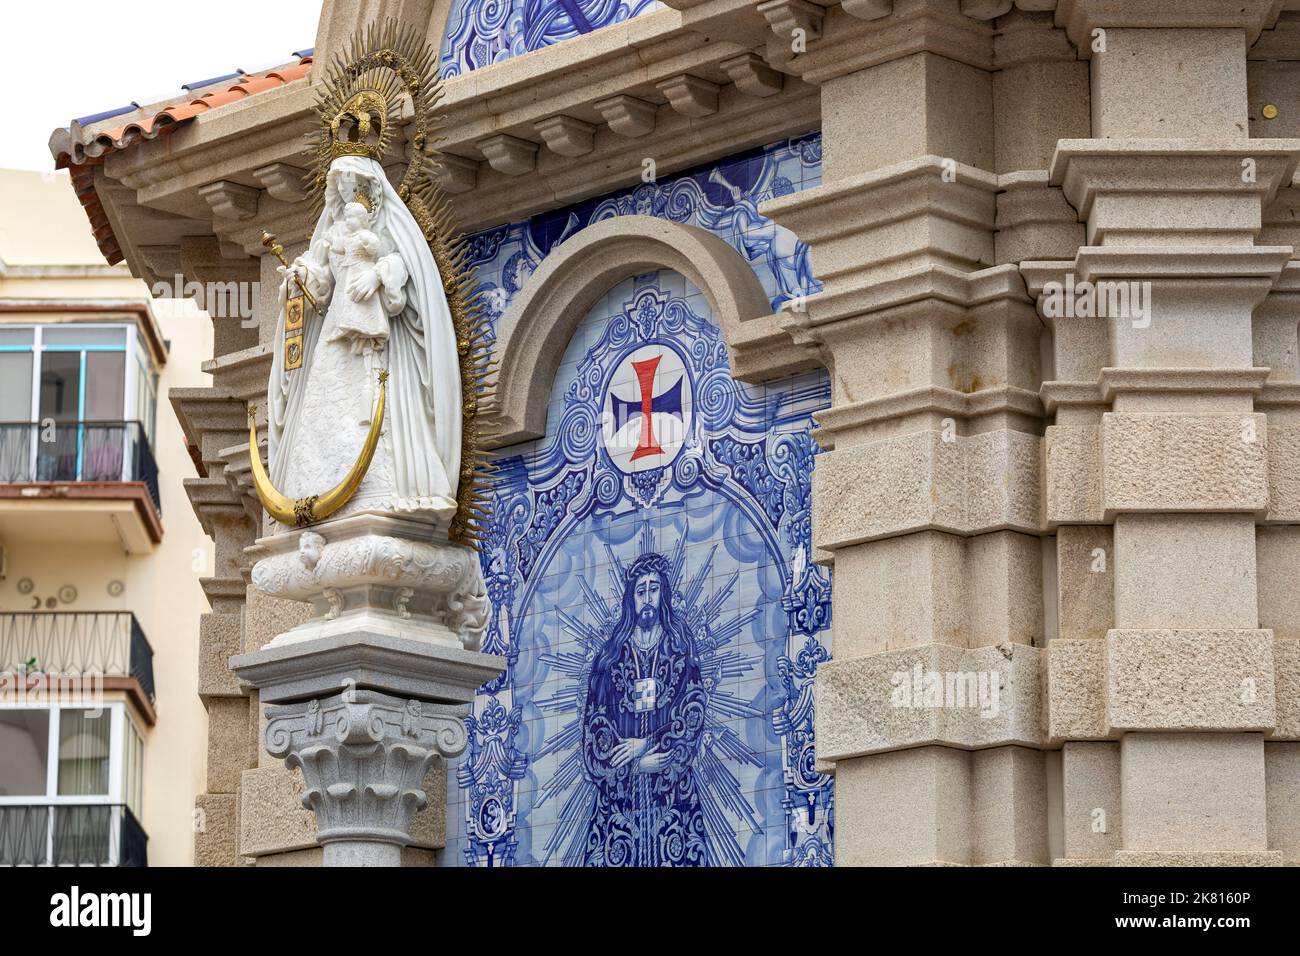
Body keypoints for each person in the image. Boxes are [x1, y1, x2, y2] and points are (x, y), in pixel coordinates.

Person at [581, 552, 709, 866]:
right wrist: (635, 765)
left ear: (663, 594)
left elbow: (692, 715)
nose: (647, 597)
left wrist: (649, 742)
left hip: (672, 799)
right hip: (620, 806)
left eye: (654, 589)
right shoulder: (610, 658)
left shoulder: (680, 649)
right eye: (641, 591)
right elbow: (594, 727)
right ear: (632, 599)